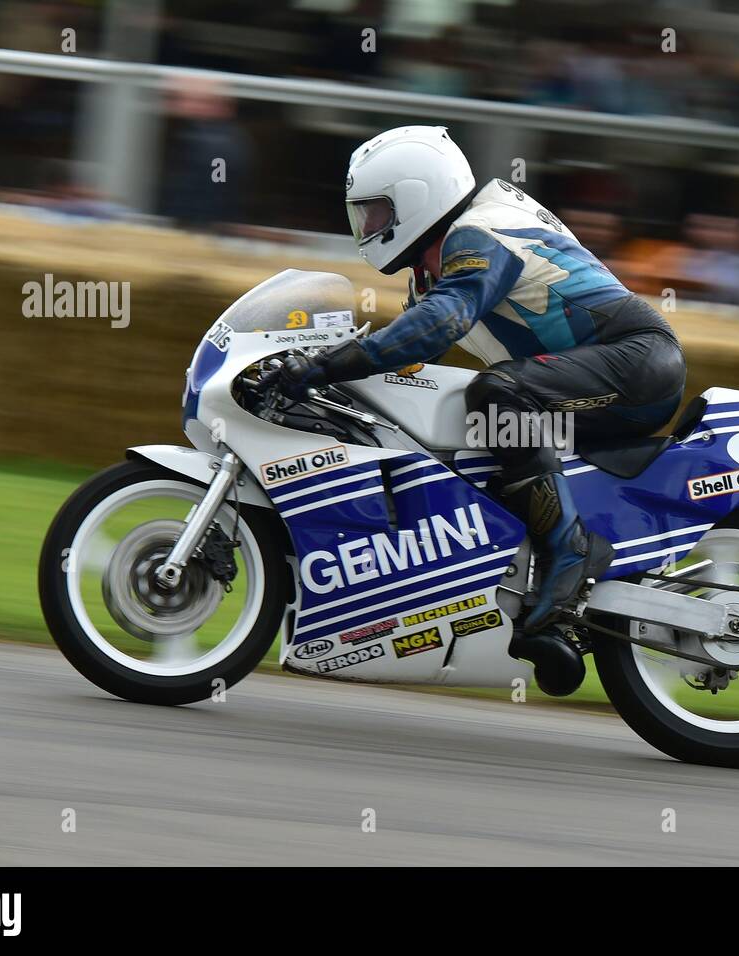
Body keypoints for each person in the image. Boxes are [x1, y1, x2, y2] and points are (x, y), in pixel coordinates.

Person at [279, 126, 686, 694]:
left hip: (639, 365)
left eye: (376, 213)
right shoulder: (441, 265)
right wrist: (322, 373)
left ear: (420, 197)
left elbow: (437, 328)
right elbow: (410, 360)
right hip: (600, 371)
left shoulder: (479, 234)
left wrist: (325, 366)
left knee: (496, 394)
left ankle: (566, 555)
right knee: (467, 429)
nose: (367, 228)